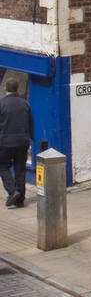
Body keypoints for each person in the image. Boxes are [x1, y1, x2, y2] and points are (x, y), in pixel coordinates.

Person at [0, 78, 34, 208]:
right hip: (22, 142)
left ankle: (12, 191)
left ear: (6, 89)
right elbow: (30, 122)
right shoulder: (25, 104)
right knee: (20, 169)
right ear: (17, 89)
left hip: (5, 143)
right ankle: (20, 200)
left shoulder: (1, 104)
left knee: (3, 167)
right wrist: (30, 138)